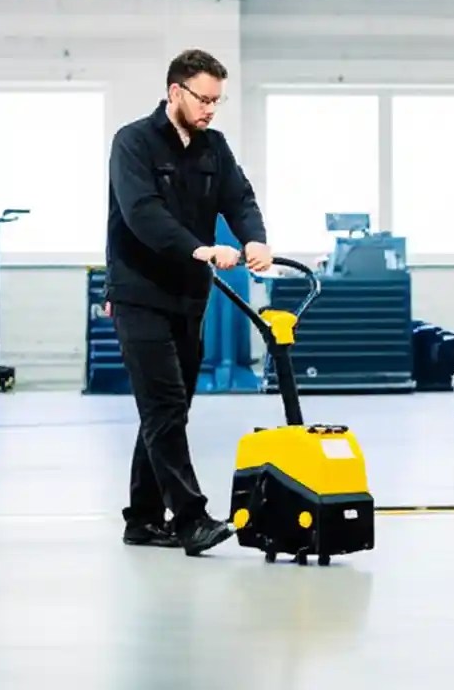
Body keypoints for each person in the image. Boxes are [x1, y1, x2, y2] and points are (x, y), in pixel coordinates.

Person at [105, 48, 273, 553]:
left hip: (187, 296)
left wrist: (255, 239)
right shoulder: (132, 143)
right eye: (204, 99)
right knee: (164, 406)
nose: (210, 110)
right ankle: (191, 519)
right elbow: (142, 213)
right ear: (175, 91)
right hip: (139, 293)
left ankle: (142, 519)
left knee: (168, 411)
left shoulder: (213, 147)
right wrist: (200, 247)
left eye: (217, 102)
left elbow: (239, 199)